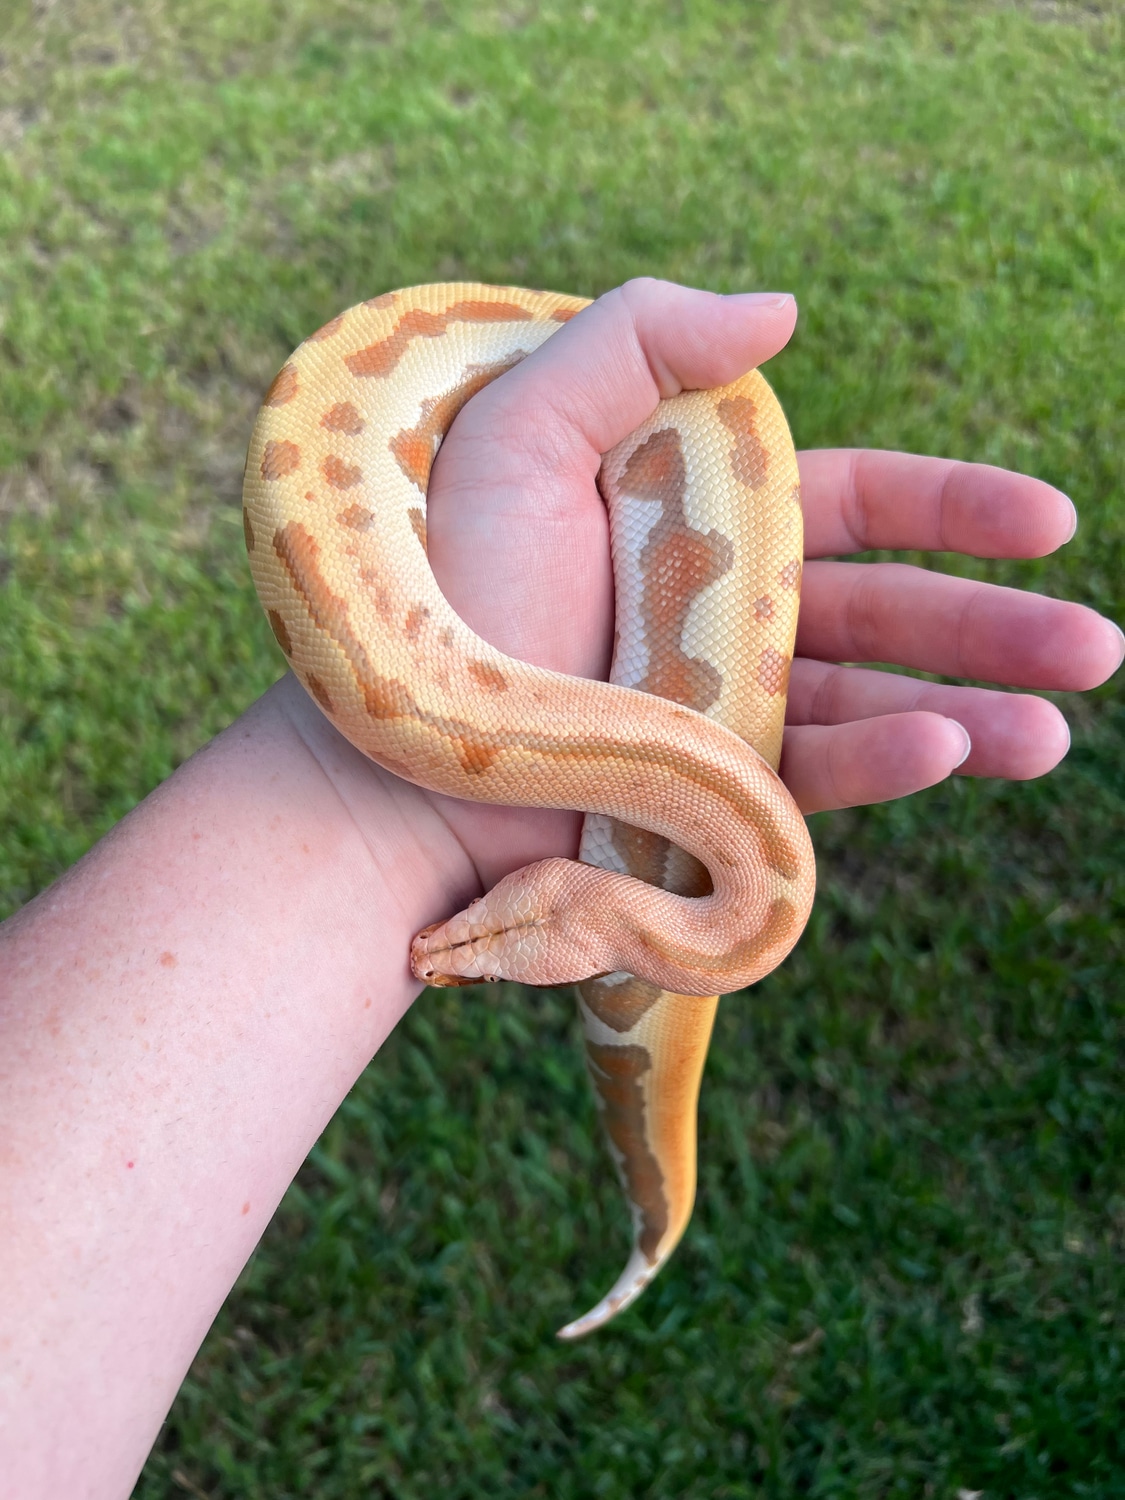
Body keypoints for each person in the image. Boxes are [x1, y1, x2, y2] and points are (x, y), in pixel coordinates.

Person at [1, 280, 1121, 1498]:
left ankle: (654, 1229)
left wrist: (440, 822)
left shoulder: (685, 896)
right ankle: (648, 1231)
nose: (449, 954)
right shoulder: (705, 895)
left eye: (473, 948)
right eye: (488, 942)